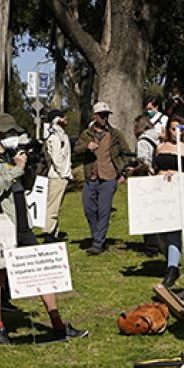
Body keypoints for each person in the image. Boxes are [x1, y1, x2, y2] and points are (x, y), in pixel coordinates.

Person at [0, 113, 87, 345]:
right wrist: (17, 168)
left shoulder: (7, 155)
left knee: (42, 271)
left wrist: (27, 165)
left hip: (21, 221)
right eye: (10, 133)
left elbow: (23, 186)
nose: (14, 137)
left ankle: (57, 324)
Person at [74, 102, 130, 255]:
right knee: (89, 209)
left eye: (107, 115)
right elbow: (76, 151)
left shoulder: (115, 134)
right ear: (95, 116)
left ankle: (97, 244)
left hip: (109, 177)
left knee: (104, 210)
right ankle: (97, 235)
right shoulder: (86, 134)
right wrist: (87, 147)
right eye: (102, 115)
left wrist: (123, 172)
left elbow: (126, 153)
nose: (105, 118)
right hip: (91, 177)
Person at [151, 116, 184, 287]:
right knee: (158, 231)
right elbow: (155, 167)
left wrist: (178, 175)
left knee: (173, 231)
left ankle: (172, 268)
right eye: (173, 129)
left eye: (179, 128)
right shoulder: (159, 147)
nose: (176, 132)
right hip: (158, 193)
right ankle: (170, 260)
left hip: (176, 192)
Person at [43, 110, 72, 241]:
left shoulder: (61, 134)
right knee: (52, 207)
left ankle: (54, 232)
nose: (66, 118)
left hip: (61, 175)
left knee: (56, 206)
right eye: (62, 116)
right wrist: (63, 174)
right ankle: (48, 234)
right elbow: (57, 158)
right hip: (57, 176)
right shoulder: (55, 136)